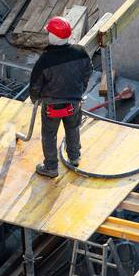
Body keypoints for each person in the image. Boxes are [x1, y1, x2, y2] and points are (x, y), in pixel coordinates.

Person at [28, 15, 93, 178]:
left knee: (49, 135)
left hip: (52, 106)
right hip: (73, 103)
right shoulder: (80, 52)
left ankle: (51, 167)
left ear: (52, 37)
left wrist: (35, 99)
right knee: (72, 128)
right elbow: (88, 72)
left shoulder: (45, 59)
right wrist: (80, 90)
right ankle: (74, 157)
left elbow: (35, 84)